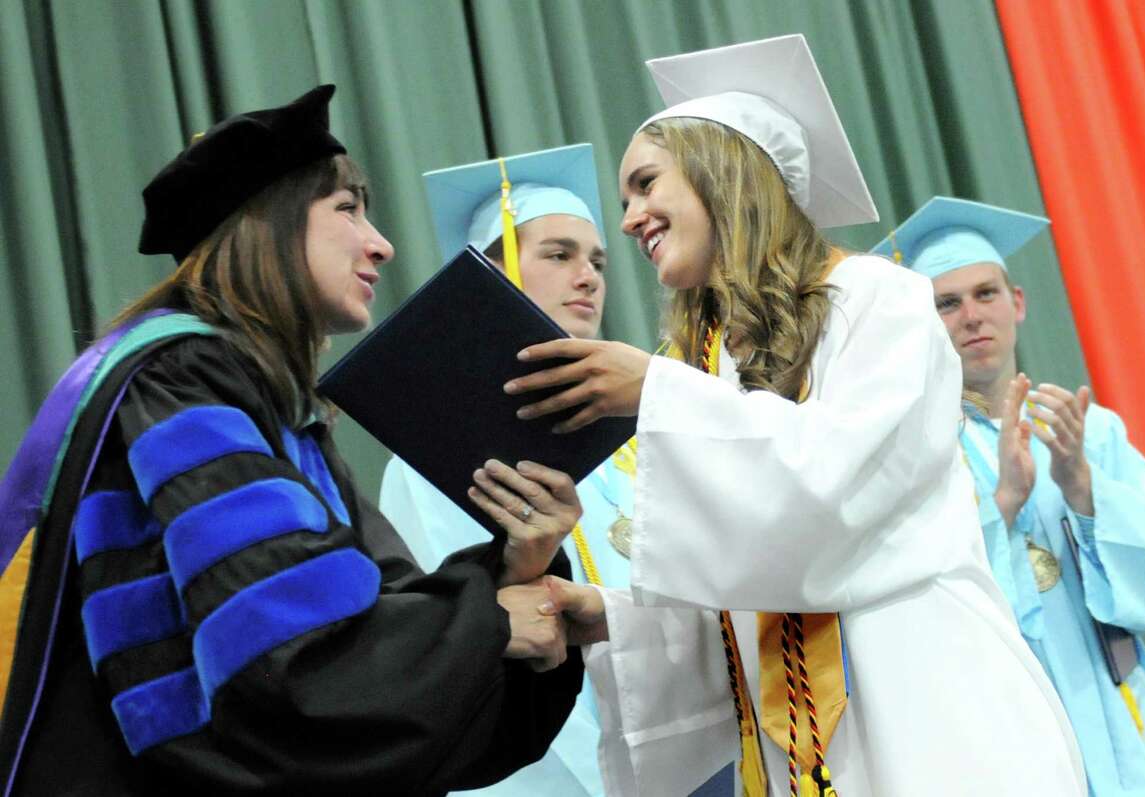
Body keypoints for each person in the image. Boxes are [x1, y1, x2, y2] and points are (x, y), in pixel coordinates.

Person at [502, 35, 1088, 796]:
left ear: (723, 170)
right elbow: (752, 574)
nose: (630, 219)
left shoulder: (881, 301)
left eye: (646, 184)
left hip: (936, 707)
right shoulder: (705, 362)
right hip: (801, 755)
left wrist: (657, 391)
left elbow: (830, 493)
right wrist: (614, 613)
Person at [0, 85, 582, 796]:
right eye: (347, 208)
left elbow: (361, 610)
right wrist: (487, 618)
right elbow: (292, 663)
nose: (382, 243)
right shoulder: (184, 379)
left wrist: (514, 568)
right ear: (266, 223)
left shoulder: (269, 406)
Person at [379, 145, 733, 796]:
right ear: (489, 274)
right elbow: (467, 652)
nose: (591, 276)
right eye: (559, 254)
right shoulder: (433, 463)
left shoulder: (644, 437)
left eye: (597, 260)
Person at [871, 195, 1145, 796]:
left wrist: (1082, 485)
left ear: (1017, 303)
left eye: (985, 293)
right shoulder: (918, 457)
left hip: (1123, 711)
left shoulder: (1085, 430)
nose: (971, 316)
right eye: (947, 304)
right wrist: (1001, 504)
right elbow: (913, 611)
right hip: (1011, 727)